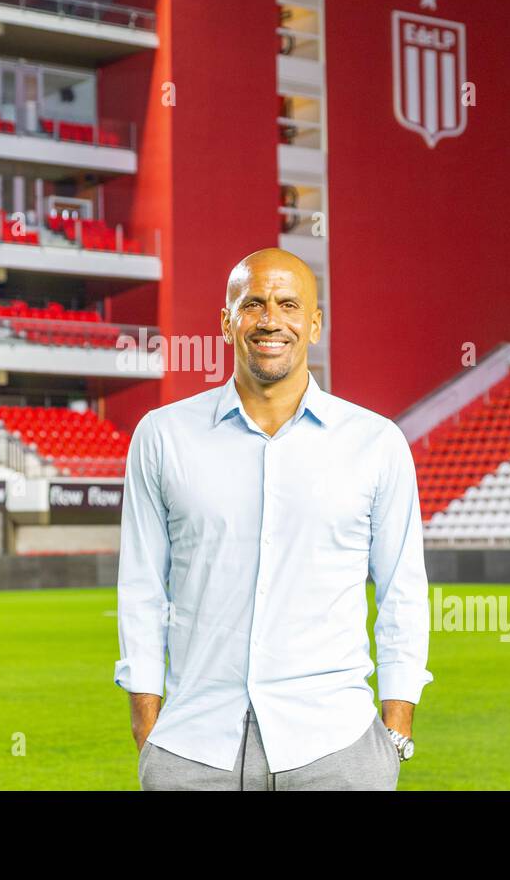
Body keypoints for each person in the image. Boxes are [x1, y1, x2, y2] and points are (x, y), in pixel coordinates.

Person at [113, 247, 433, 790]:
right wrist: (148, 724)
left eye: (289, 304)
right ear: (226, 320)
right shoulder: (162, 436)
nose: (270, 320)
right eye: (253, 303)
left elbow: (402, 590)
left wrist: (395, 727)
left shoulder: (377, 444)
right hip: (192, 749)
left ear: (314, 324)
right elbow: (141, 588)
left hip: (337, 747)